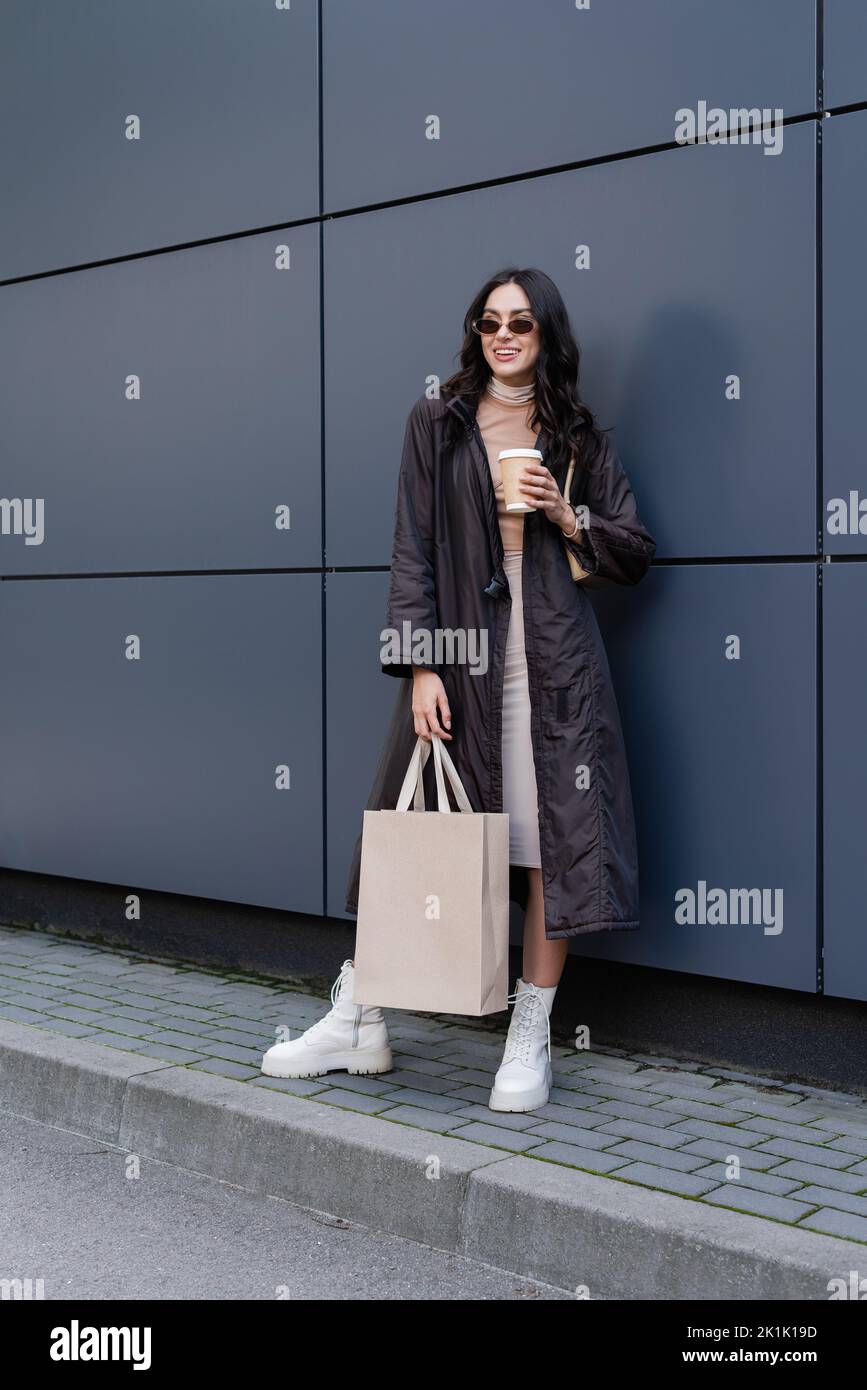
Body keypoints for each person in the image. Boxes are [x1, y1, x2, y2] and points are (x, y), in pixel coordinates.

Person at [262, 267, 656, 1112]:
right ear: (474, 334)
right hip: (458, 658)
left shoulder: (579, 435)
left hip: (554, 667)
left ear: (547, 334)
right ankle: (357, 1016)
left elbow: (632, 549)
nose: (503, 336)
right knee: (414, 827)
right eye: (488, 323)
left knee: (553, 837)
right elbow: (413, 549)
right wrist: (420, 664)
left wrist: (564, 513)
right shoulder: (435, 421)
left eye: (520, 323)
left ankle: (531, 1032)